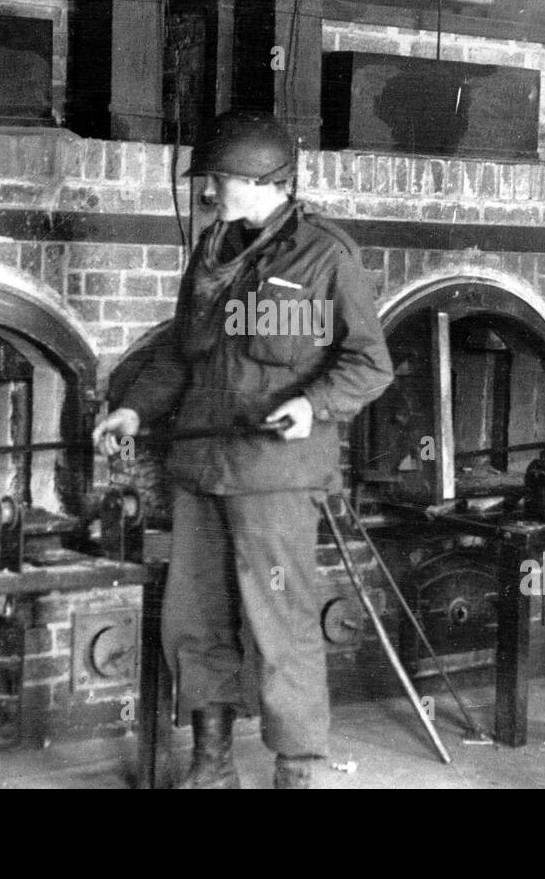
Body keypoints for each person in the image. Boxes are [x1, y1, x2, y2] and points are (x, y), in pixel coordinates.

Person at [92, 111, 393, 789]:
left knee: (279, 621)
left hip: (275, 474)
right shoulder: (214, 250)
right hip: (202, 467)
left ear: (262, 182)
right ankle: (212, 763)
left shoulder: (327, 258)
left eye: (218, 180)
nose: (208, 192)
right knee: (195, 616)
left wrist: (311, 406)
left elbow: (370, 365)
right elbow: (183, 351)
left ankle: (298, 768)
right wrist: (134, 409)